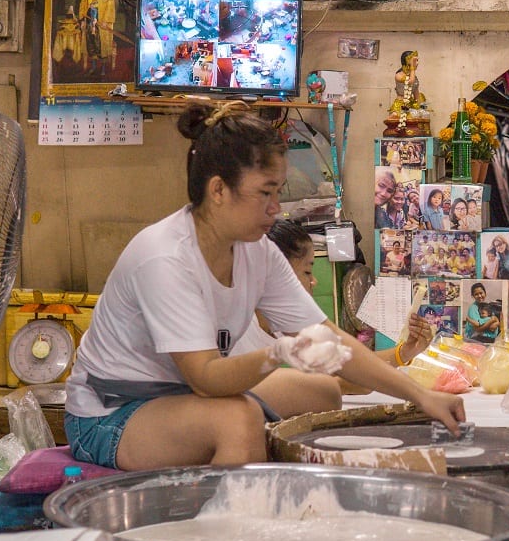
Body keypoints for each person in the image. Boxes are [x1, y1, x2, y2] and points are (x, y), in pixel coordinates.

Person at [63, 101, 465, 470]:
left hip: (181, 397)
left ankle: (253, 463)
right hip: (112, 411)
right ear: (217, 190)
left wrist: (421, 397)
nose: (276, 207)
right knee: (237, 419)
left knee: (322, 393)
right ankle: (225, 534)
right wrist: (276, 353)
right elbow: (205, 379)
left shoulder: (257, 249)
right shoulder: (165, 257)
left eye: (279, 191)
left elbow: (329, 339)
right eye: (265, 193)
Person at [233, 219, 435, 403]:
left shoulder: (287, 322)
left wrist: (404, 352)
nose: (314, 281)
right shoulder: (238, 325)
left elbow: (352, 361)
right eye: (306, 272)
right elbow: (245, 391)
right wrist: (339, 385)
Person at [76, 0, 116, 76]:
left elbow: (110, 4)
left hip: (101, 19)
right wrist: (82, 19)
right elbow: (83, 4)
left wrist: (105, 21)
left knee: (101, 44)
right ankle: (93, 67)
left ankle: (103, 68)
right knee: (91, 42)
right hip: (89, 18)